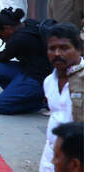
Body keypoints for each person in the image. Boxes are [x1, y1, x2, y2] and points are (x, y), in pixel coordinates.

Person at [0, 7, 49, 114]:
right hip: (32, 69)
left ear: (7, 28)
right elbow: (2, 55)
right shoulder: (28, 24)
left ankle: (39, 101)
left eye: (0, 33)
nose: (1, 36)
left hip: (36, 78)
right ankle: (20, 94)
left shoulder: (18, 39)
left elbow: (2, 56)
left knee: (0, 106)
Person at [41, 23, 84, 172]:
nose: (57, 53)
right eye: (52, 49)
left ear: (80, 49)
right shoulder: (48, 82)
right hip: (51, 156)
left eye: (64, 48)